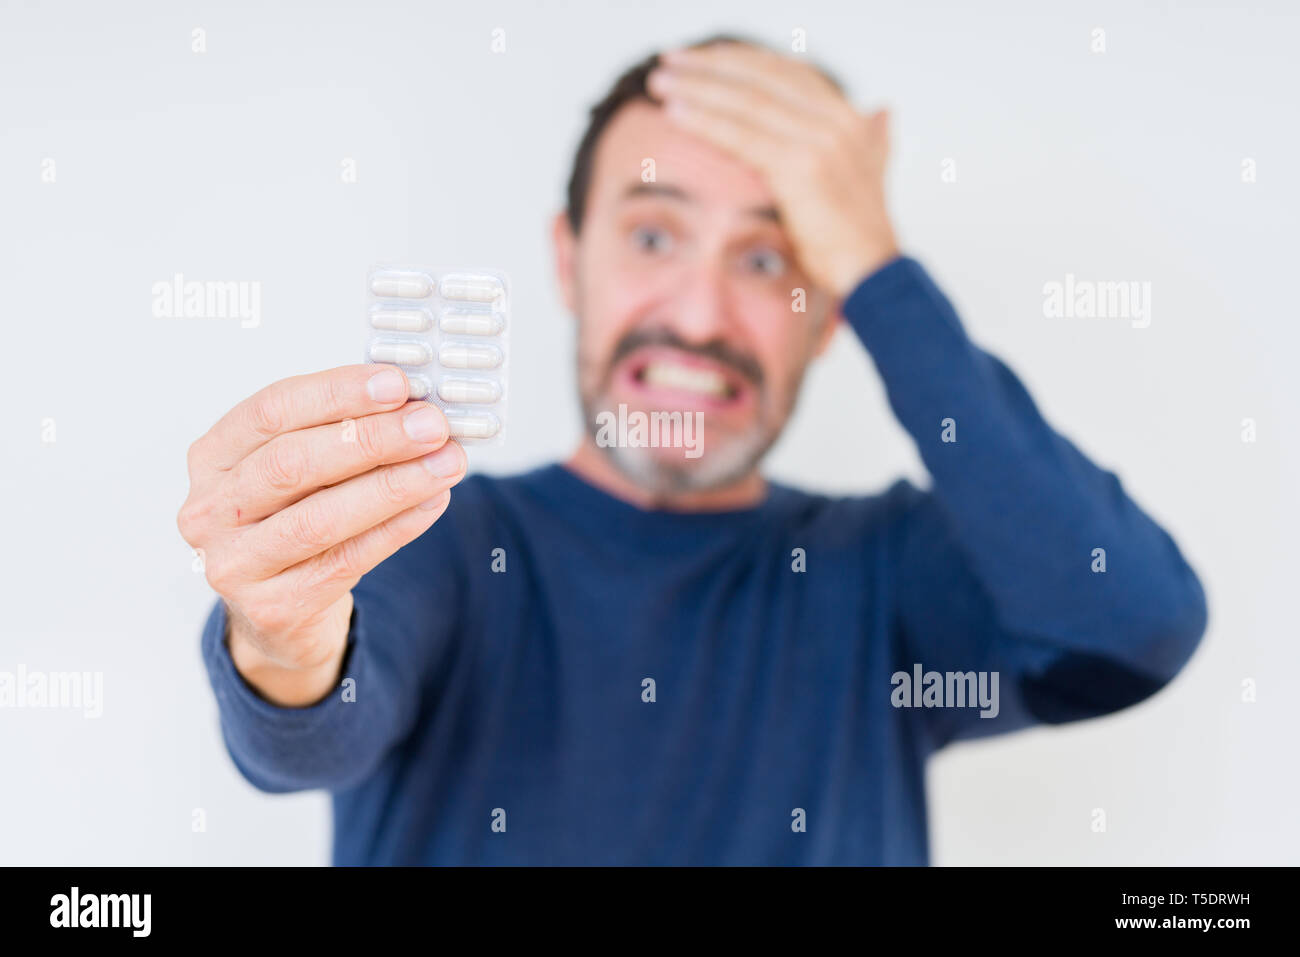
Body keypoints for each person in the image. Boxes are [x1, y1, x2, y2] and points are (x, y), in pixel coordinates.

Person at [178, 35, 1207, 864]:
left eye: (767, 259)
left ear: (827, 313)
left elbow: (1133, 625)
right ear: (567, 260)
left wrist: (877, 264)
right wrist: (281, 642)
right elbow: (309, 731)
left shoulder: (887, 577)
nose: (701, 317)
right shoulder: (443, 531)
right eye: (655, 236)